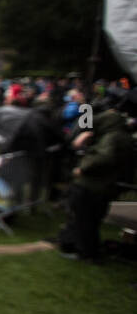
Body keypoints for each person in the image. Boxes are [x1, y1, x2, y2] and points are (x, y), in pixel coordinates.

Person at [58, 108, 134, 261]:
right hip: (105, 185)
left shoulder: (113, 138)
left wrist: (83, 168)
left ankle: (86, 253)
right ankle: (86, 249)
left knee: (84, 219)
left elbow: (104, 157)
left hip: (92, 184)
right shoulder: (123, 136)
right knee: (90, 220)